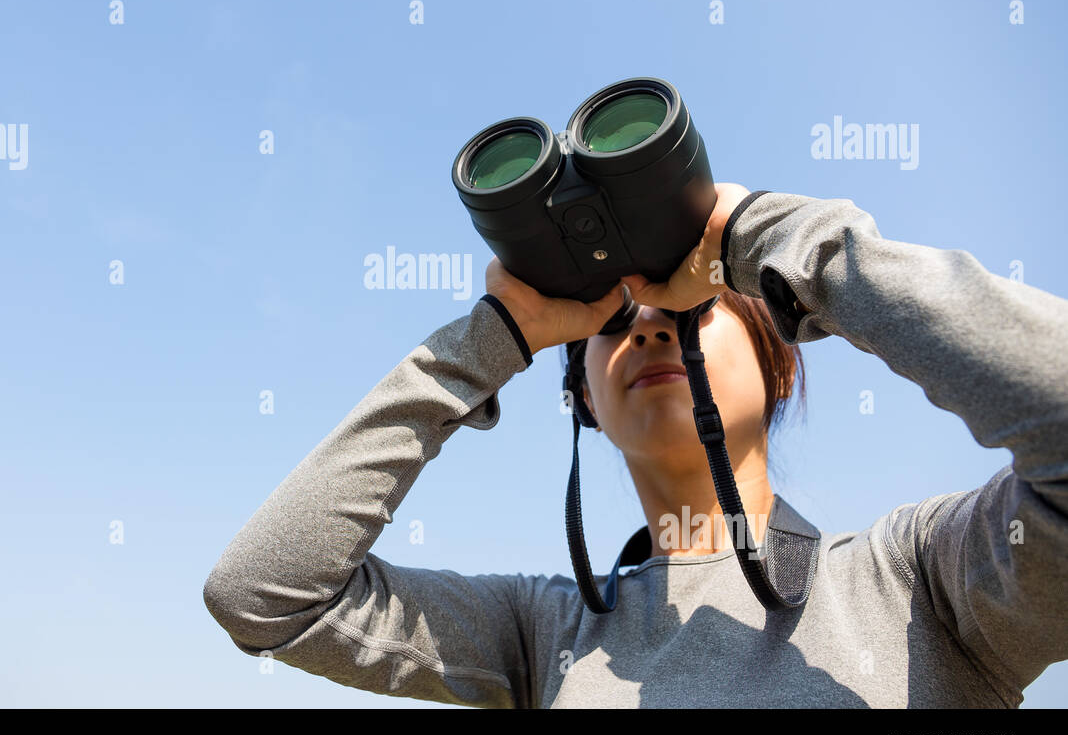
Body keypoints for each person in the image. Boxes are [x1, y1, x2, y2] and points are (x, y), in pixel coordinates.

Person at [203, 185, 1068, 707]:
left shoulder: (920, 579)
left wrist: (756, 235)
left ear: (781, 369)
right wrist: (492, 338)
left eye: (690, 314)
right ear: (580, 398)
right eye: (615, 326)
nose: (650, 331)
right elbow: (263, 597)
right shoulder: (546, 631)